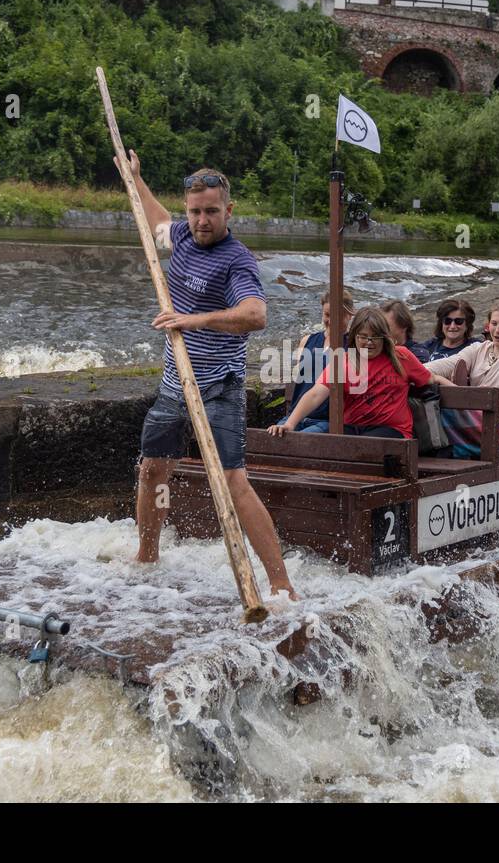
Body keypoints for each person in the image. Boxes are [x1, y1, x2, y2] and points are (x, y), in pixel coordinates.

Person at [119, 150, 297, 600]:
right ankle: (147, 557)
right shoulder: (181, 234)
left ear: (228, 211)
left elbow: (255, 316)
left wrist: (191, 319)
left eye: (211, 212)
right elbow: (157, 223)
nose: (201, 221)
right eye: (195, 211)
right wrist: (135, 179)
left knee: (233, 482)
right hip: (174, 384)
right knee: (152, 470)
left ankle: (280, 583)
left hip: (219, 386)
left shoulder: (237, 260)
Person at [270, 306, 452, 439]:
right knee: (321, 443)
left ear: (385, 338)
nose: (369, 343)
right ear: (354, 337)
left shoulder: (401, 356)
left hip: (392, 430)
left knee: (362, 445)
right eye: (363, 337)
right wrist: (290, 424)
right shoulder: (343, 360)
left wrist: (453, 386)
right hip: (352, 427)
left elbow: (429, 379)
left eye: (375, 338)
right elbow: (316, 393)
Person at [423, 300, 499, 454]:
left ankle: (443, 450)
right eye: (494, 323)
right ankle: (438, 451)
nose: (497, 330)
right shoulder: (480, 348)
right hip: (476, 419)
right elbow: (447, 364)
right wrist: (410, 370)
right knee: (424, 401)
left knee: (437, 404)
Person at [288, 290, 354, 433]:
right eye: (327, 315)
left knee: (298, 443)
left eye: (338, 316)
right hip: (297, 416)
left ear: (349, 315)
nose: (331, 321)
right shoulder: (307, 341)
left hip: (327, 421)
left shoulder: (353, 345)